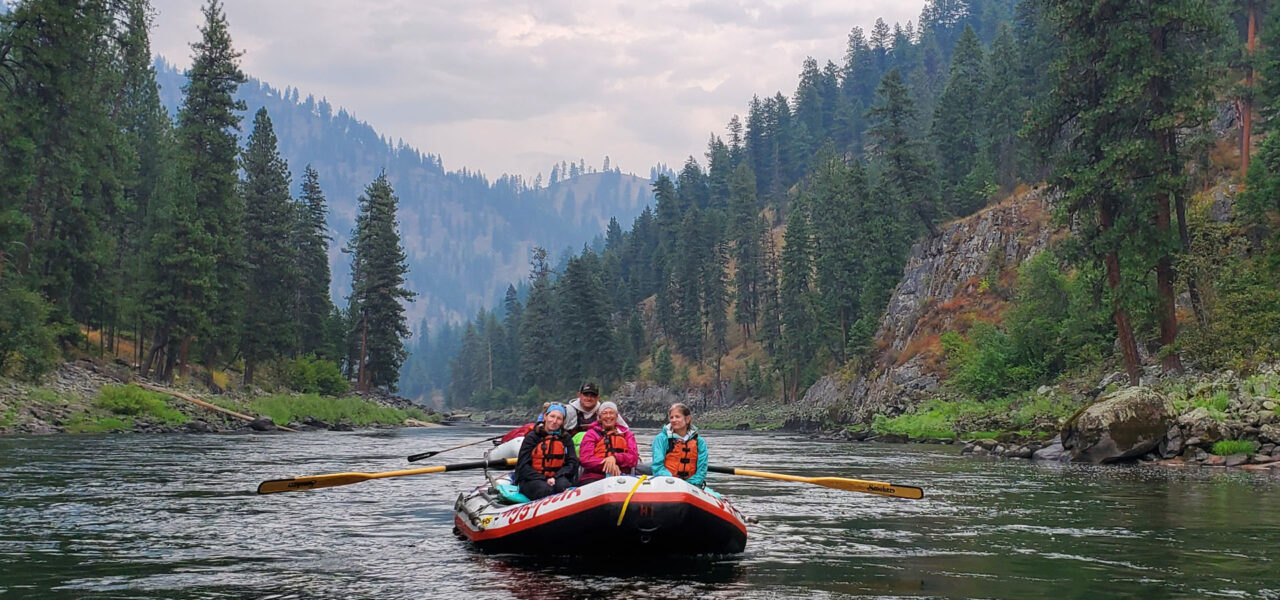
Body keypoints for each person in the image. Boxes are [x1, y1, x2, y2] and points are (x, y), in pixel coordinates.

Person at [513, 404, 579, 500]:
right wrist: (544, 479)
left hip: (557, 477)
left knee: (563, 487)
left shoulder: (566, 439)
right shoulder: (532, 437)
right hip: (532, 479)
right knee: (545, 489)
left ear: (563, 422)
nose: (554, 421)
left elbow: (572, 463)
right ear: (545, 417)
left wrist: (555, 477)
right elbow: (522, 466)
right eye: (552, 416)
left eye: (559, 418)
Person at [577, 401, 639, 484]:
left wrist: (615, 458)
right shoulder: (591, 434)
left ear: (617, 416)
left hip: (622, 477)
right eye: (605, 413)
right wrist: (609, 465)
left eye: (611, 413)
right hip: (594, 477)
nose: (608, 416)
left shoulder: (627, 434)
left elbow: (633, 458)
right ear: (600, 417)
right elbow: (586, 459)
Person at [651, 402, 708, 488]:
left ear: (687, 419)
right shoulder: (661, 439)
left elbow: (702, 468)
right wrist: (673, 482)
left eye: (677, 417)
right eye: (671, 417)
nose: (673, 420)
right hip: (666, 483)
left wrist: (693, 483)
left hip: (692, 484)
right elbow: (657, 466)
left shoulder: (699, 442)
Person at [563, 381, 628, 435]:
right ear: (579, 395)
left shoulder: (605, 411)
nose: (589, 398)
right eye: (586, 395)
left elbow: (625, 429)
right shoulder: (569, 410)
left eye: (593, 396)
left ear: (598, 398)